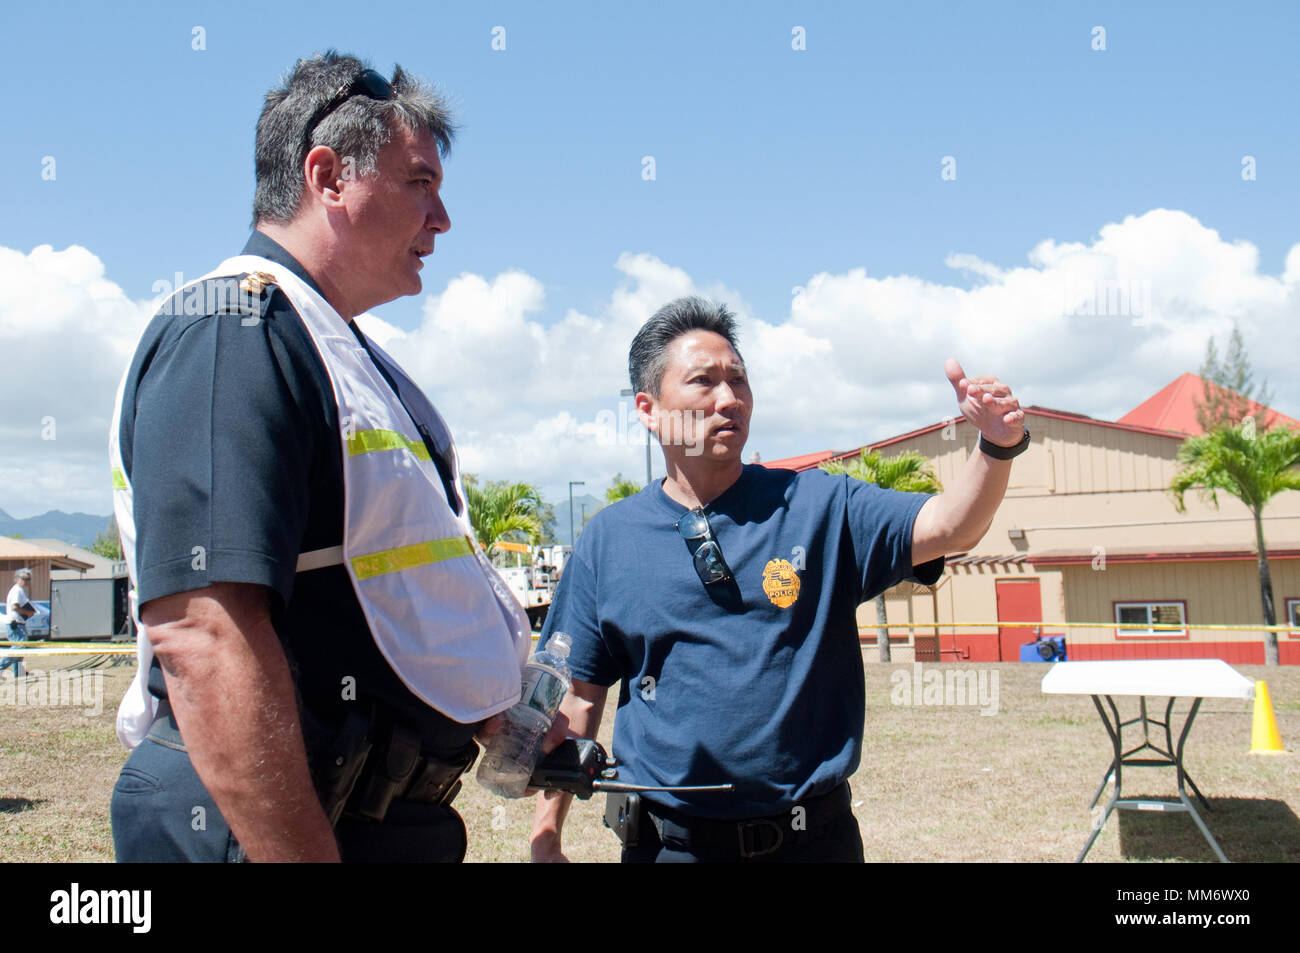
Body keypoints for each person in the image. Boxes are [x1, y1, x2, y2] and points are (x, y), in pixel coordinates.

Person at [108, 51, 531, 863]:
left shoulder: (342, 353)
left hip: (377, 818)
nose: (442, 219)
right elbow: (203, 632)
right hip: (281, 827)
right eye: (420, 183)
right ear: (328, 175)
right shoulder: (232, 329)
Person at [530, 297, 1028, 863]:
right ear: (648, 408)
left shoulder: (820, 505)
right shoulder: (609, 539)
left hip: (810, 843)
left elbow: (950, 526)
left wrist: (996, 445)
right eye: (703, 382)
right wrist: (547, 834)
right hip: (666, 848)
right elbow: (580, 693)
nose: (729, 399)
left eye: (738, 381)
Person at [2, 568, 35, 677]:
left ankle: (20, 672)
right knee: (18, 647)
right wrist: (28, 612)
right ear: (17, 579)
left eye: (28, 579)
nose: (26, 581)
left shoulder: (19, 590)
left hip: (18, 623)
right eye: (24, 578)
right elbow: (15, 607)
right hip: (15, 624)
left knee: (20, 648)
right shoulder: (17, 590)